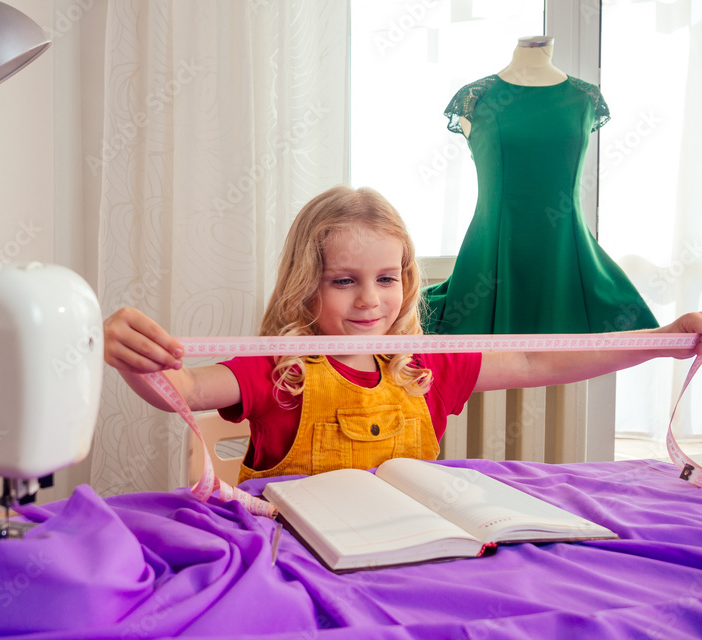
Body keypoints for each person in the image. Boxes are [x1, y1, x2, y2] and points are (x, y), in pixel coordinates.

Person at [105, 185, 702, 483]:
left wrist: (664, 338)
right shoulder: (277, 369)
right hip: (301, 565)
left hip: (412, 564)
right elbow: (182, 387)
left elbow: (532, 362)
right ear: (305, 283)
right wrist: (135, 357)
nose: (371, 300)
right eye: (344, 280)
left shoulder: (426, 367)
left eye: (386, 278)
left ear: (406, 280)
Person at [422, 36, 658, 335]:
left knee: (580, 350)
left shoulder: (585, 98)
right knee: (472, 353)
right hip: (492, 245)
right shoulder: (476, 98)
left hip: (565, 249)